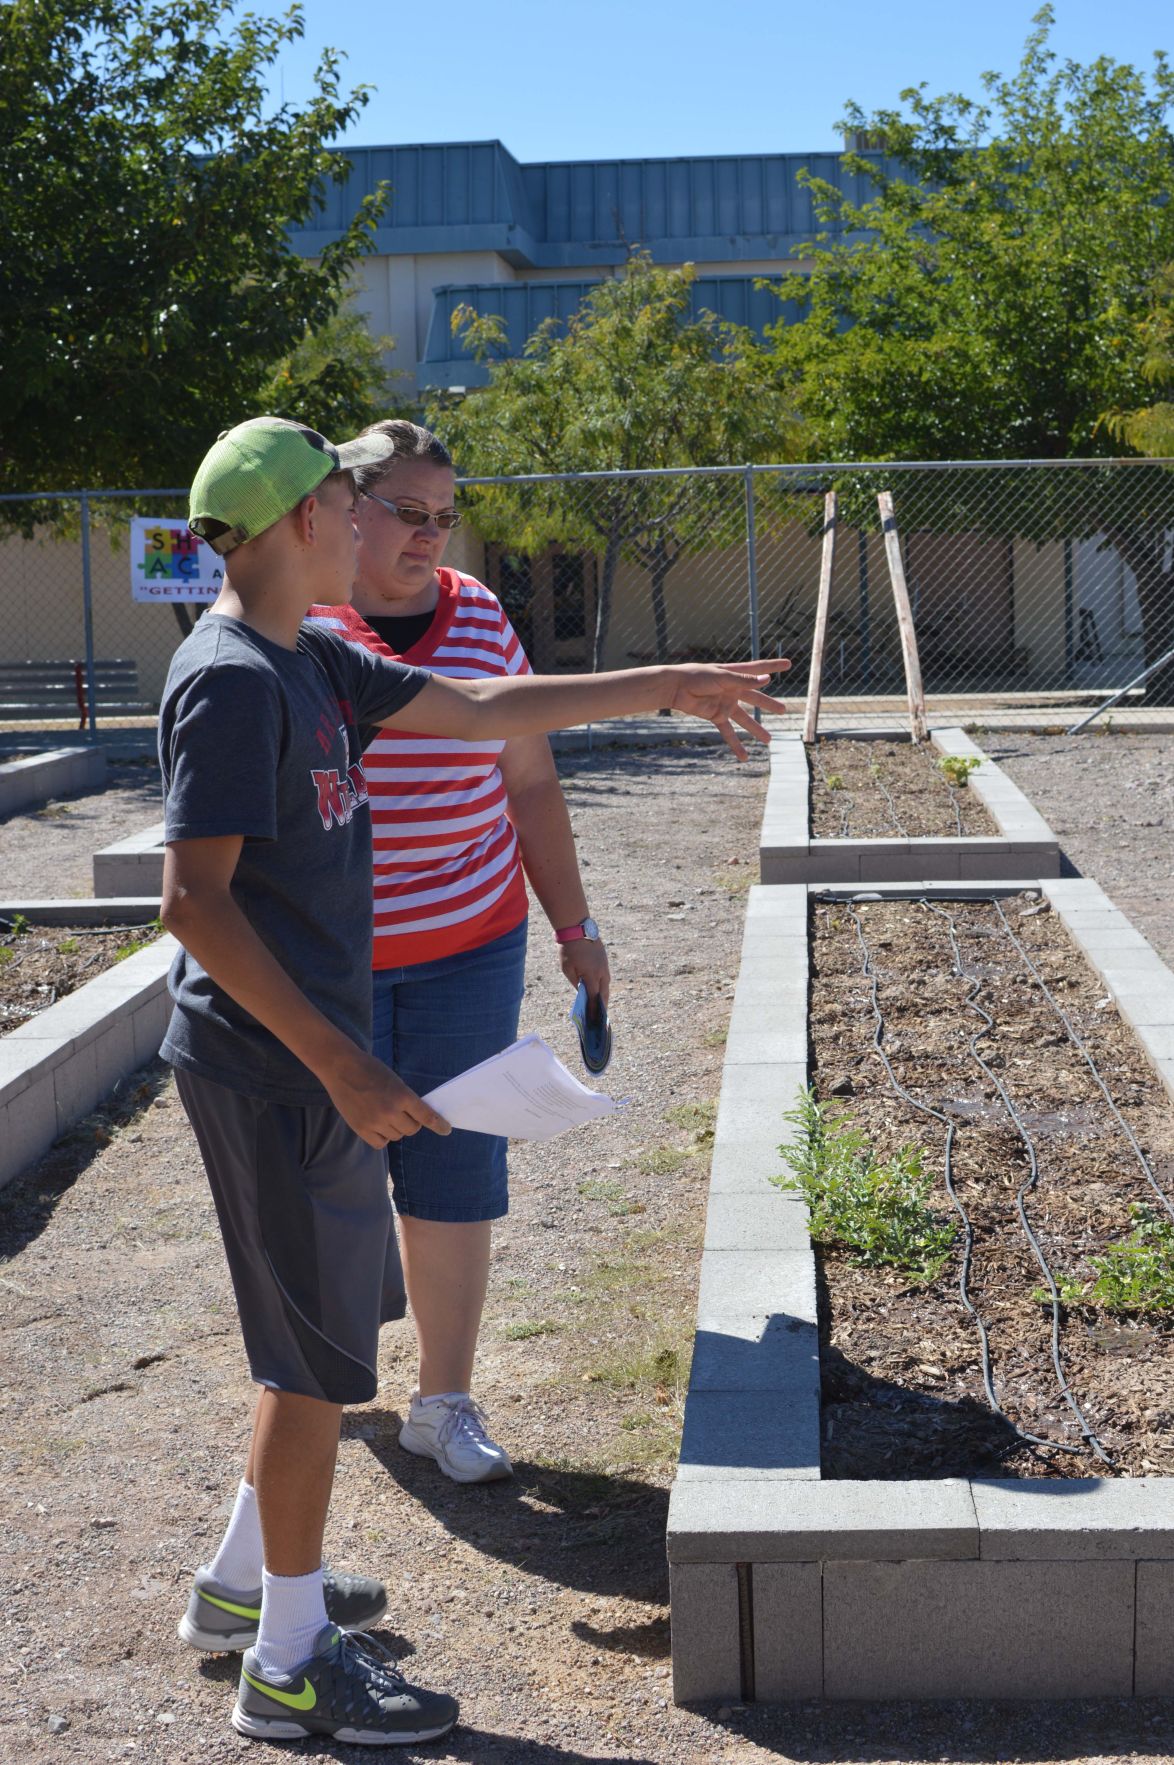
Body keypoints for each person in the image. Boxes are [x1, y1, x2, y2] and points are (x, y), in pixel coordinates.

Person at [160, 413, 786, 1748]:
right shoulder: (232, 679)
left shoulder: (315, 655)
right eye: (348, 504)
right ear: (297, 526)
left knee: (317, 1346)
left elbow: (495, 712)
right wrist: (341, 1063)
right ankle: (286, 1661)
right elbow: (194, 904)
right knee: (311, 1363)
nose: (382, 530)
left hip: (313, 1062)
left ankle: (242, 1589)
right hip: (275, 1070)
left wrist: (667, 681)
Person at [307, 419, 607, 1486]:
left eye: (446, 516)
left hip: (468, 944)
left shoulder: (477, 614)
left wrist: (575, 929)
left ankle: (442, 1402)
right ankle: (309, 1394)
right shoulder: (291, 616)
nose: (432, 537)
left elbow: (526, 778)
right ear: (348, 506)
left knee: (451, 1169)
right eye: (408, 513)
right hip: (325, 964)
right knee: (325, 1179)